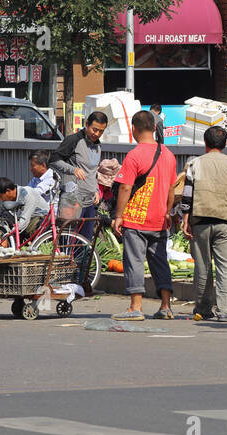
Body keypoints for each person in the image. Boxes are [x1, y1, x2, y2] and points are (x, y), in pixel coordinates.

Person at [111, 110, 178, 321]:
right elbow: (171, 189)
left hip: (135, 219)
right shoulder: (167, 153)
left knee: (134, 262)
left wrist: (119, 216)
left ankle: (135, 307)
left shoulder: (134, 155)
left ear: (134, 129)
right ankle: (166, 306)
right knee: (161, 262)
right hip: (160, 219)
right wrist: (168, 212)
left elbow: (125, 188)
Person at [179, 125, 227, 323]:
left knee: (202, 265)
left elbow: (187, 195)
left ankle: (203, 308)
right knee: (225, 266)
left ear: (205, 143)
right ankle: (225, 311)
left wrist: (185, 218)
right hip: (224, 220)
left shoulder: (194, 164)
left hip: (199, 220)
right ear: (225, 144)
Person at [49, 110, 107, 238]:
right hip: (72, 199)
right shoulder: (73, 140)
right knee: (68, 241)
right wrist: (73, 169)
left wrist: (96, 189)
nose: (97, 134)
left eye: (101, 131)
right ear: (86, 124)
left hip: (90, 200)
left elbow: (92, 171)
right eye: (94, 129)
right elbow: (53, 160)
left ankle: (82, 260)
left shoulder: (98, 145)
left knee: (85, 241)